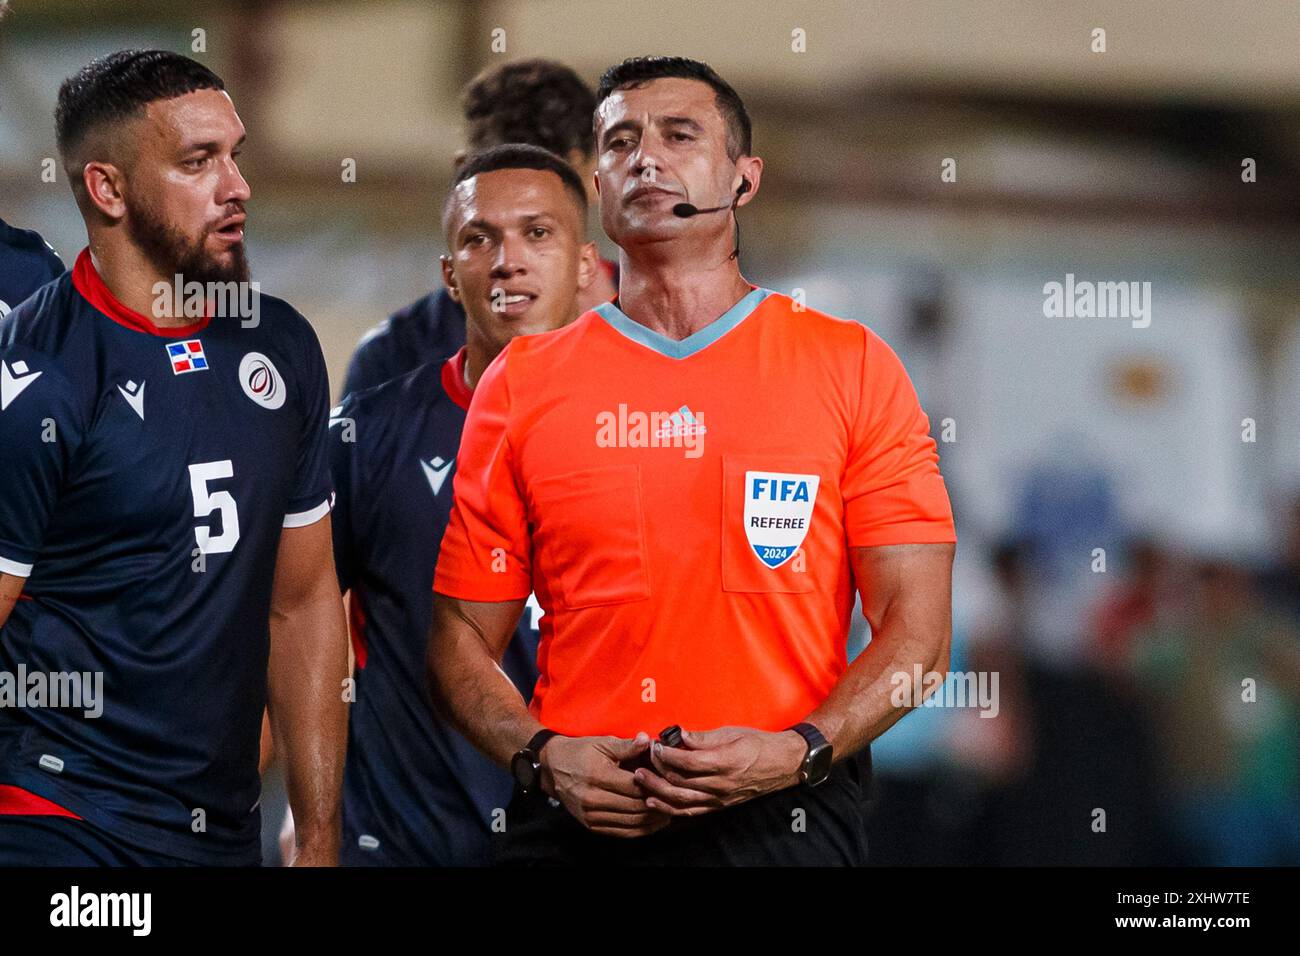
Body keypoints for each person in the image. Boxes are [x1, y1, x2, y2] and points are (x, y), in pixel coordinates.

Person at [428, 56, 957, 865]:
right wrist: (540, 756)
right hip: (578, 823)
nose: (645, 158)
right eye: (620, 143)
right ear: (597, 186)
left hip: (788, 816)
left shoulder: (851, 366)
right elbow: (462, 635)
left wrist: (801, 749)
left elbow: (918, 636)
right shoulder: (523, 384)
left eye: (680, 135)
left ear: (744, 180)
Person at [0, 50, 347, 866]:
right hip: (58, 817)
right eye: (198, 161)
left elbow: (301, 603)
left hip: (220, 830)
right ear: (107, 189)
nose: (238, 186)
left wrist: (319, 831)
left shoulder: (281, 345)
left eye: (235, 154)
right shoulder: (37, 384)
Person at [328, 144, 597, 864]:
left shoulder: (649, 433)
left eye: (538, 233)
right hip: (404, 848)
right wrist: (311, 824)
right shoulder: (365, 433)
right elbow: (292, 628)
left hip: (589, 844)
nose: (508, 260)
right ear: (451, 275)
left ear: (586, 265)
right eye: (480, 239)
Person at [341, 58, 617, 395]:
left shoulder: (669, 326)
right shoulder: (394, 358)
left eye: (537, 227)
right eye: (495, 184)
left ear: (594, 180)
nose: (512, 259)